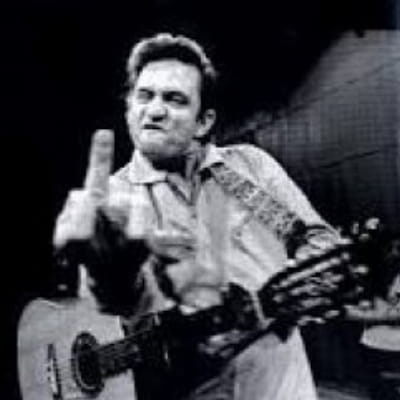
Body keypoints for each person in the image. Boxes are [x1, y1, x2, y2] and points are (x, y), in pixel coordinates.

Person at [53, 33, 352, 400]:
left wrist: (298, 285)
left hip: (282, 388)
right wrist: (115, 282)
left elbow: (314, 240)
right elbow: (100, 311)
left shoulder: (247, 169)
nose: (155, 111)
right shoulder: (114, 198)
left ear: (203, 122)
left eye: (174, 99)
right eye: (144, 96)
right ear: (129, 108)